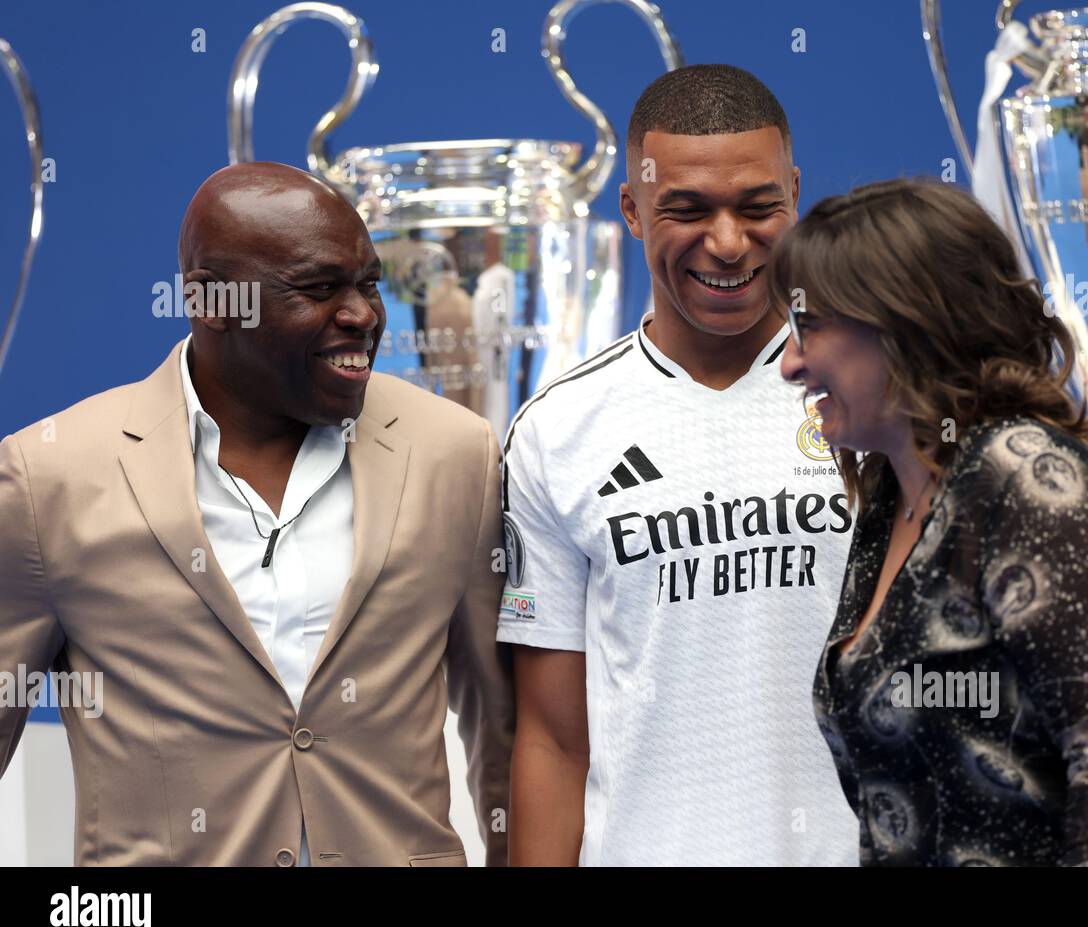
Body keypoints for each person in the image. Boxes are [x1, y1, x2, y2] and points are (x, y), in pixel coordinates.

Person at [0, 162, 514, 866]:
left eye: (368, 283)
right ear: (212, 302)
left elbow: (507, 736)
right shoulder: (48, 476)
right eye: (318, 288)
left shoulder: (455, 451)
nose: (363, 314)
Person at [774, 177, 1088, 867]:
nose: (789, 365)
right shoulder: (889, 498)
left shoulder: (1030, 481)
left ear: (904, 323)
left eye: (808, 328)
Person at [498, 65, 860, 866]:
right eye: (687, 210)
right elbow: (555, 742)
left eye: (758, 207)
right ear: (630, 209)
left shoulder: (875, 392)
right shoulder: (557, 430)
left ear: (795, 194)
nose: (727, 244)